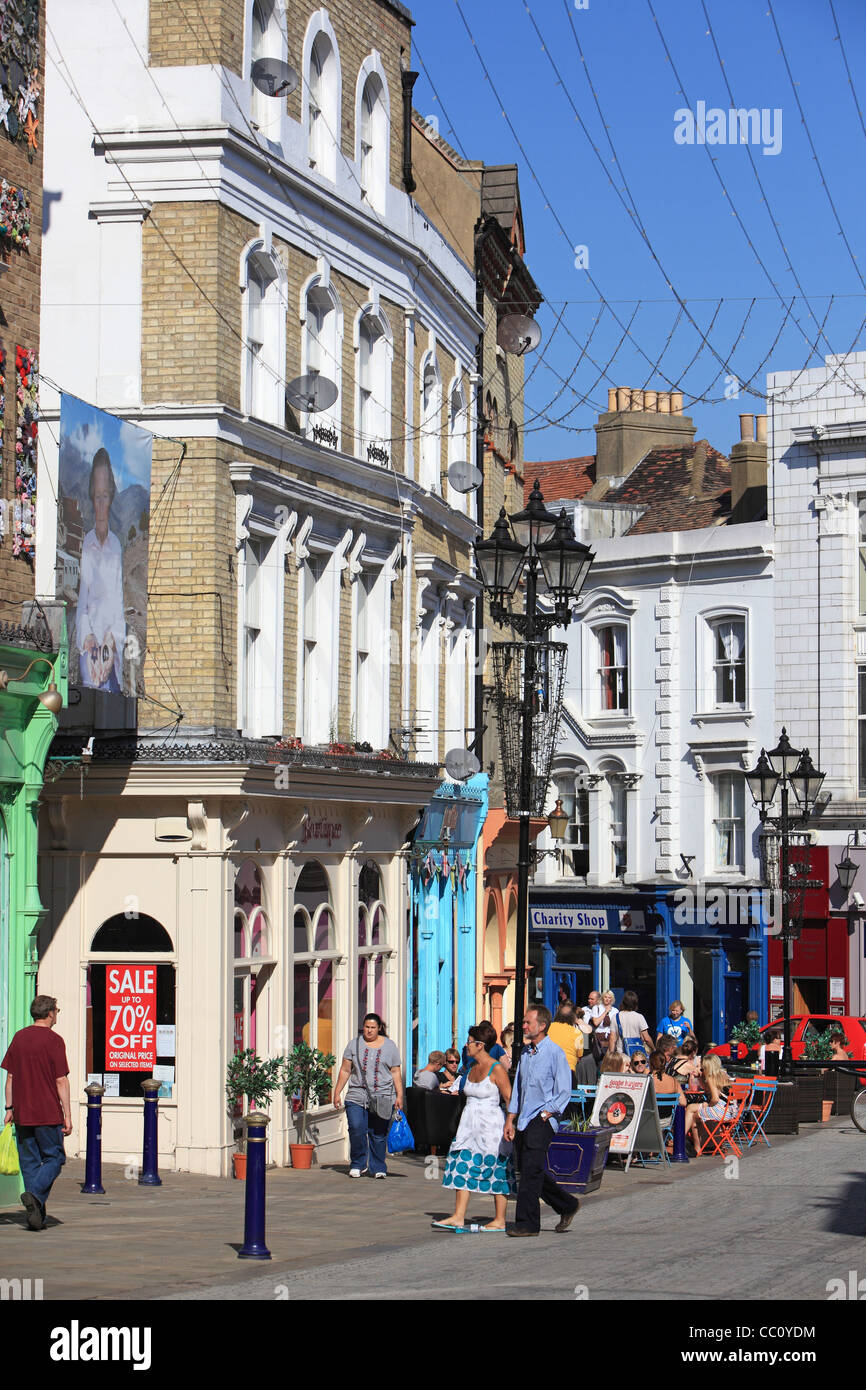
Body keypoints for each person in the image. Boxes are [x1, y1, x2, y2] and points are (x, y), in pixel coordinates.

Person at [504, 1005, 578, 1236]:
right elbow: (518, 1087)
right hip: (525, 1118)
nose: (524, 1026)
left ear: (542, 1026)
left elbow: (565, 1090)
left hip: (543, 1117)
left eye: (528, 1023)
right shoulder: (526, 1053)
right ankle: (566, 1204)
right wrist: (510, 1118)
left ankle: (527, 1223)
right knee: (529, 1169)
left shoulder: (555, 1053)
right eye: (524, 1023)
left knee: (530, 1170)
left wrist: (548, 1112)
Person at [433, 1025, 516, 1232]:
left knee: (497, 1169)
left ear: (480, 1045)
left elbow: (509, 1098)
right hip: (469, 1125)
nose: (466, 1045)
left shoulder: (496, 1069)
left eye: (469, 1041)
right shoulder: (470, 1068)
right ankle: (458, 1216)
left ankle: (499, 1219)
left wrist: (509, 1123)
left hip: (491, 1125)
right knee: (461, 1163)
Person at [2, 995, 72, 1231]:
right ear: (50, 1013)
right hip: (47, 1112)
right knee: (55, 1158)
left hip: (22, 1112)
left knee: (30, 1161)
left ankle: (36, 1214)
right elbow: (61, 1080)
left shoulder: (19, 1038)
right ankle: (33, 1194)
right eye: (57, 1011)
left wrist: (9, 1108)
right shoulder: (54, 1041)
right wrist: (68, 1115)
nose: (56, 1015)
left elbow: (10, 1077)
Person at [76, 449, 126, 693]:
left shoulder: (117, 545)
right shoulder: (87, 543)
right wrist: (89, 638)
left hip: (112, 648)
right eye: (97, 497)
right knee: (90, 688)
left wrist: (110, 643)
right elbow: (83, 603)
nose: (101, 504)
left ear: (112, 497)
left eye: (105, 496)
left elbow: (118, 605)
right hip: (91, 648)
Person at [333, 1013, 404, 1178]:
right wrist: (337, 1092)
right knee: (356, 1128)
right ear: (363, 1027)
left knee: (378, 1133)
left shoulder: (390, 1046)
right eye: (367, 1027)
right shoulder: (354, 1044)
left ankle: (378, 1166)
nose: (369, 1031)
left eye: (373, 1027)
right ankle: (358, 1163)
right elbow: (345, 1070)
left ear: (379, 1028)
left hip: (383, 1095)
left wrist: (400, 1095)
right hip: (357, 1094)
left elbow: (395, 1072)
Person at [680, 1054, 732, 1151]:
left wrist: (708, 1105)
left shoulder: (711, 1077)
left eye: (703, 1068)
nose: (702, 1070)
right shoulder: (724, 1075)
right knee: (693, 1109)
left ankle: (689, 1143)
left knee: (693, 1113)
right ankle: (702, 1142)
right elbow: (708, 1089)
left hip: (720, 1110)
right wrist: (700, 1076)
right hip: (730, 1111)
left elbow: (715, 1098)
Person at [610, 990, 653, 1056]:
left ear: (623, 1002)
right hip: (636, 1055)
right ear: (635, 1003)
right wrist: (654, 1049)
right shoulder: (639, 1017)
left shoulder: (615, 1017)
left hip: (621, 1054)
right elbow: (646, 1038)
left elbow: (612, 1038)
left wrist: (611, 1055)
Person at [548, 1004, 581, 1074]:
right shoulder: (577, 1032)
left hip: (550, 1068)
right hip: (569, 1069)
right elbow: (579, 1055)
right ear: (572, 1017)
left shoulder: (549, 1027)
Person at [574, 1009, 597, 1085]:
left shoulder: (577, 1028)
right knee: (590, 1082)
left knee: (580, 1083)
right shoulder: (588, 1027)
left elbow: (583, 1047)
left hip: (581, 1059)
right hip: (589, 1058)